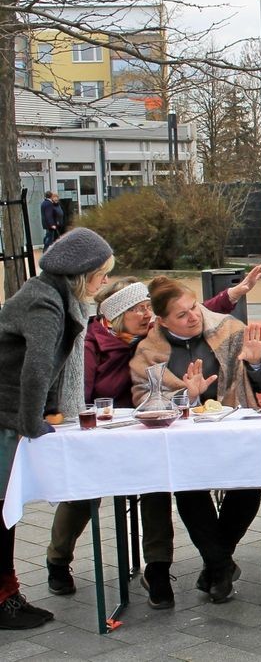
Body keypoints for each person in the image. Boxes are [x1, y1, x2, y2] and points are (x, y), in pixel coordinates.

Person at [44, 266, 261, 608]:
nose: (146, 314)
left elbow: (193, 311)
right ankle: (58, 559)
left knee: (158, 486)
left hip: (149, 433)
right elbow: (76, 399)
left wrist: (235, 293)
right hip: (105, 433)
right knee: (82, 495)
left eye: (148, 308)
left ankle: (160, 569)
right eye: (137, 310)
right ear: (116, 317)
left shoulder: (151, 337)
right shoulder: (91, 345)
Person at [130, 277, 261, 603]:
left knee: (250, 487)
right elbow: (143, 399)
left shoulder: (228, 329)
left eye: (194, 307)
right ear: (163, 321)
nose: (193, 317)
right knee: (190, 488)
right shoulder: (149, 350)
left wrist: (256, 362)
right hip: (183, 441)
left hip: (233, 432)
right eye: (181, 315)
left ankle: (216, 564)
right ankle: (220, 567)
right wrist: (186, 396)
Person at [0, 227, 113, 629]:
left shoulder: (51, 295)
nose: (105, 284)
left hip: (10, 413)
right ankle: (3, 598)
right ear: (83, 275)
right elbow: (36, 369)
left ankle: (8, 592)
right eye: (102, 276)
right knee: (1, 510)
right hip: (4, 413)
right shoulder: (45, 302)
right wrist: (32, 425)